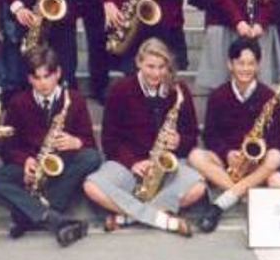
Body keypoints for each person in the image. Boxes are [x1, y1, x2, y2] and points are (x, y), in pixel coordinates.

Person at [83, 39, 206, 236]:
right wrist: (132, 163)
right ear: (139, 62)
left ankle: (127, 217)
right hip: (129, 166)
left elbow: (192, 135)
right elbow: (109, 140)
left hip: (166, 168)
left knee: (198, 187)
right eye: (150, 66)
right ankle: (163, 218)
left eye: (161, 67)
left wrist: (179, 141)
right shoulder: (120, 90)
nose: (156, 73)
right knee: (91, 186)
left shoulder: (178, 90)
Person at [0, 46, 100, 246]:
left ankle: (29, 215)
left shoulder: (75, 100)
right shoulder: (18, 103)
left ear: (58, 73)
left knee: (91, 158)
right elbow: (7, 149)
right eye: (36, 77)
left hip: (61, 163)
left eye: (47, 76)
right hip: (31, 165)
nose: (43, 83)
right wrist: (24, 160)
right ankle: (52, 217)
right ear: (29, 78)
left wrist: (76, 142)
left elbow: (90, 144)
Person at [190, 39, 280, 233]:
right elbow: (210, 135)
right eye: (240, 63)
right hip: (228, 165)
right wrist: (227, 153)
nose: (245, 68)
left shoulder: (269, 96)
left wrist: (261, 151)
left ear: (258, 65)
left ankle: (222, 202)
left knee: (276, 156)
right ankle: (244, 192)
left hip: (257, 164)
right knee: (195, 156)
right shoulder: (218, 95)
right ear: (230, 64)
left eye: (251, 63)